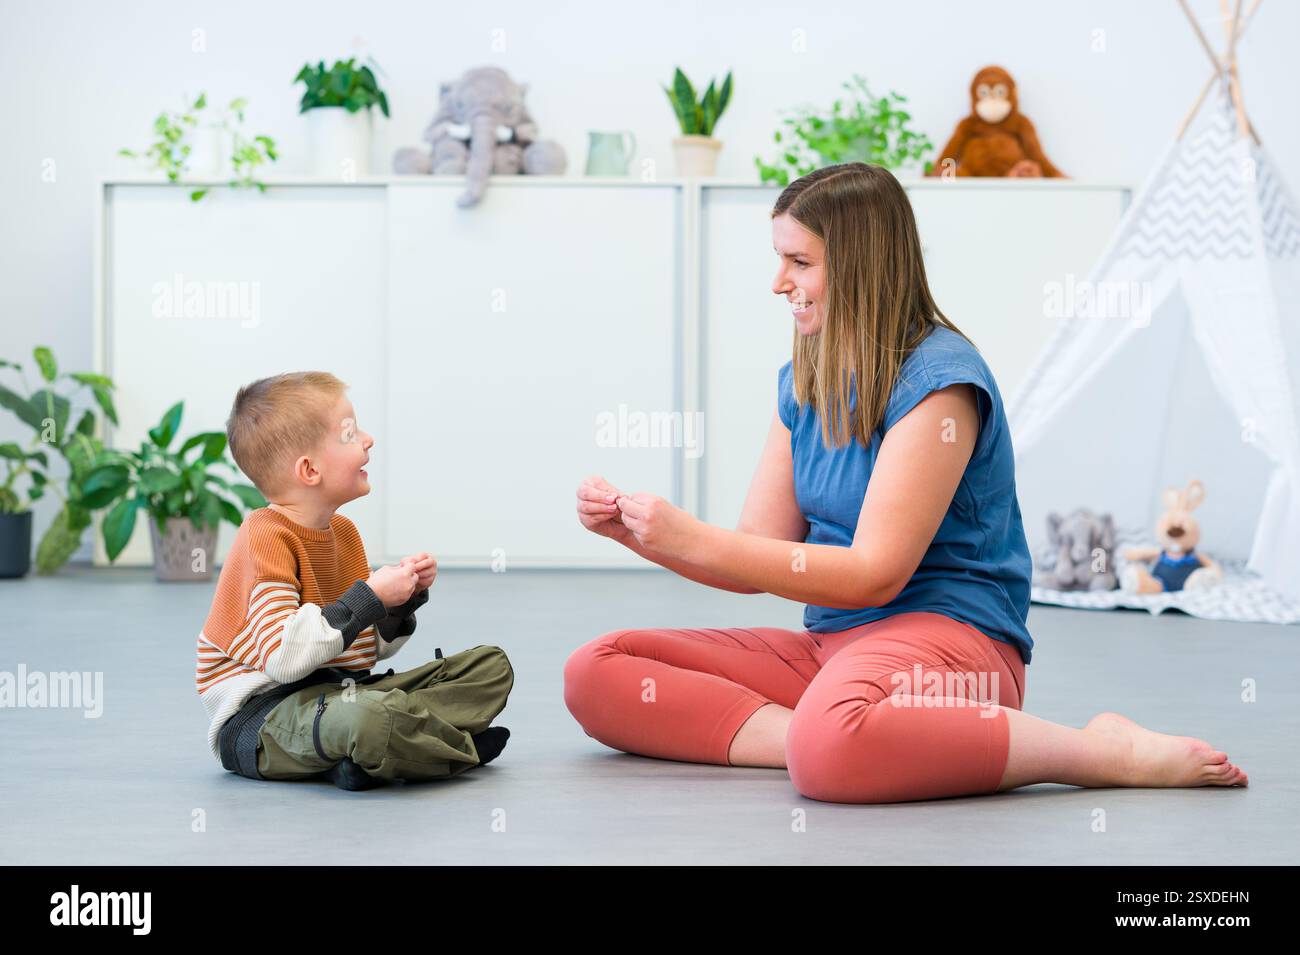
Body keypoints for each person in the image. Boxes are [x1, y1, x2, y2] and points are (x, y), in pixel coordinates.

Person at [564, 162, 1247, 804]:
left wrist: (689, 533)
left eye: (799, 262)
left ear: (860, 268)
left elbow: (875, 575)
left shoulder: (939, 381)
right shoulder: (807, 374)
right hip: (835, 652)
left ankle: (1097, 751)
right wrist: (643, 536)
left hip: (955, 647)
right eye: (780, 259)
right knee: (599, 670)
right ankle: (840, 737)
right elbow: (754, 553)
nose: (779, 282)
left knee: (830, 741)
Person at [196, 371, 513, 791]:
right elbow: (284, 659)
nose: (367, 440)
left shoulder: (343, 534)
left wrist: (399, 602)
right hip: (267, 719)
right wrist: (369, 596)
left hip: (342, 694)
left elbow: (362, 650)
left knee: (490, 667)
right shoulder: (263, 537)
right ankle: (450, 750)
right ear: (309, 469)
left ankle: (386, 752)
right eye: (349, 434)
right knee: (369, 718)